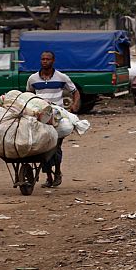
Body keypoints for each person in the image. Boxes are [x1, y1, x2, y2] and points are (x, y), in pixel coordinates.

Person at [26, 51, 80, 188]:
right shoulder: (33, 79)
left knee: (55, 147)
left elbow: (75, 91)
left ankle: (57, 172)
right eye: (42, 59)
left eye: (47, 59)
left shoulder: (61, 77)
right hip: (40, 118)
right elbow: (28, 96)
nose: (44, 61)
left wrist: (74, 105)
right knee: (43, 147)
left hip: (57, 119)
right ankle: (49, 176)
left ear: (53, 61)